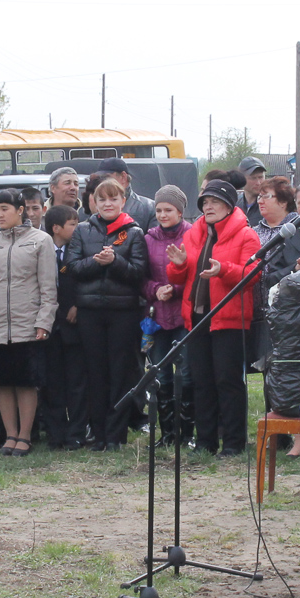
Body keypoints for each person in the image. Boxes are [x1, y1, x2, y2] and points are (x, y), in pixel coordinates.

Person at [165, 180, 260, 456]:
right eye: (204, 202)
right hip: (197, 318)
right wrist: (179, 265)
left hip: (228, 319)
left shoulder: (246, 235)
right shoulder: (194, 233)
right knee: (201, 381)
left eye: (214, 202)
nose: (208, 207)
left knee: (227, 381)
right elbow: (179, 277)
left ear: (229, 206)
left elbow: (253, 275)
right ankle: (205, 441)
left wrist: (224, 270)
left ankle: (233, 442)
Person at [0, 189, 57, 457]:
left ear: (20, 210)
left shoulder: (40, 240)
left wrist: (44, 320)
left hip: (27, 322)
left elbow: (48, 286)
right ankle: (10, 434)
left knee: (25, 381)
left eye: (4, 209)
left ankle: (26, 435)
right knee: (2, 380)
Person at [67, 178, 149, 449]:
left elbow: (139, 273)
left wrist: (115, 262)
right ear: (94, 203)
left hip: (123, 313)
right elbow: (72, 267)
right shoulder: (82, 229)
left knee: (120, 373)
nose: (107, 204)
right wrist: (96, 262)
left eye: (113, 199)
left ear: (123, 201)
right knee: (95, 372)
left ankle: (116, 435)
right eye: (102, 200)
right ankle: (98, 433)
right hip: (90, 312)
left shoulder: (135, 232)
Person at [144, 185, 194, 447]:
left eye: (168, 210)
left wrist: (173, 288)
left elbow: (196, 273)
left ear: (180, 211)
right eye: (159, 210)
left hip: (184, 315)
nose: (163, 215)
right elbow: (141, 276)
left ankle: (186, 434)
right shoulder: (148, 238)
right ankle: (167, 434)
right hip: (157, 315)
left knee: (186, 375)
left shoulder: (193, 234)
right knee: (160, 375)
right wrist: (155, 290)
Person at [39, 205, 88, 450]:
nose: (77, 228)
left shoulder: (80, 248)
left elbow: (85, 278)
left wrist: (77, 305)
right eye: (72, 224)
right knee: (52, 381)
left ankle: (77, 431)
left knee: (77, 380)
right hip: (48, 325)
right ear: (56, 228)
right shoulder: (41, 248)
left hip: (74, 324)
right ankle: (55, 432)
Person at [249, 176, 299, 367]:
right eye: (259, 197)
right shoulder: (254, 231)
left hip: (288, 312)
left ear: (284, 201)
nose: (259, 201)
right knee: (263, 366)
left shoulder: (298, 228)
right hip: (258, 313)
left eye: (266, 196)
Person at [99, 157, 157, 233]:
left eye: (106, 177)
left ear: (123, 177)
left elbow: (156, 241)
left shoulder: (149, 208)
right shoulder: (93, 205)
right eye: (100, 178)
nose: (102, 182)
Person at [236, 156, 266, 228]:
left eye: (261, 177)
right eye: (253, 178)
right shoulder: (234, 204)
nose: (258, 183)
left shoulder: (268, 206)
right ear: (241, 179)